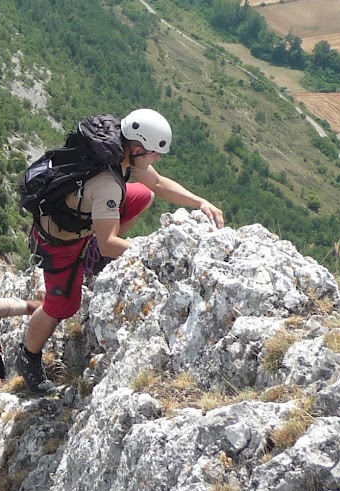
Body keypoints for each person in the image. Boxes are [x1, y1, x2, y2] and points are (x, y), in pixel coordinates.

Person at [14, 108, 224, 394]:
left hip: (86, 216)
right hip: (60, 240)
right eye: (154, 153)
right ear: (137, 149)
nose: (157, 158)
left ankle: (92, 256)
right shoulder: (107, 184)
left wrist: (200, 202)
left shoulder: (121, 153)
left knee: (143, 195)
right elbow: (109, 242)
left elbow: (159, 184)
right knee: (61, 306)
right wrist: (150, 251)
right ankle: (28, 358)